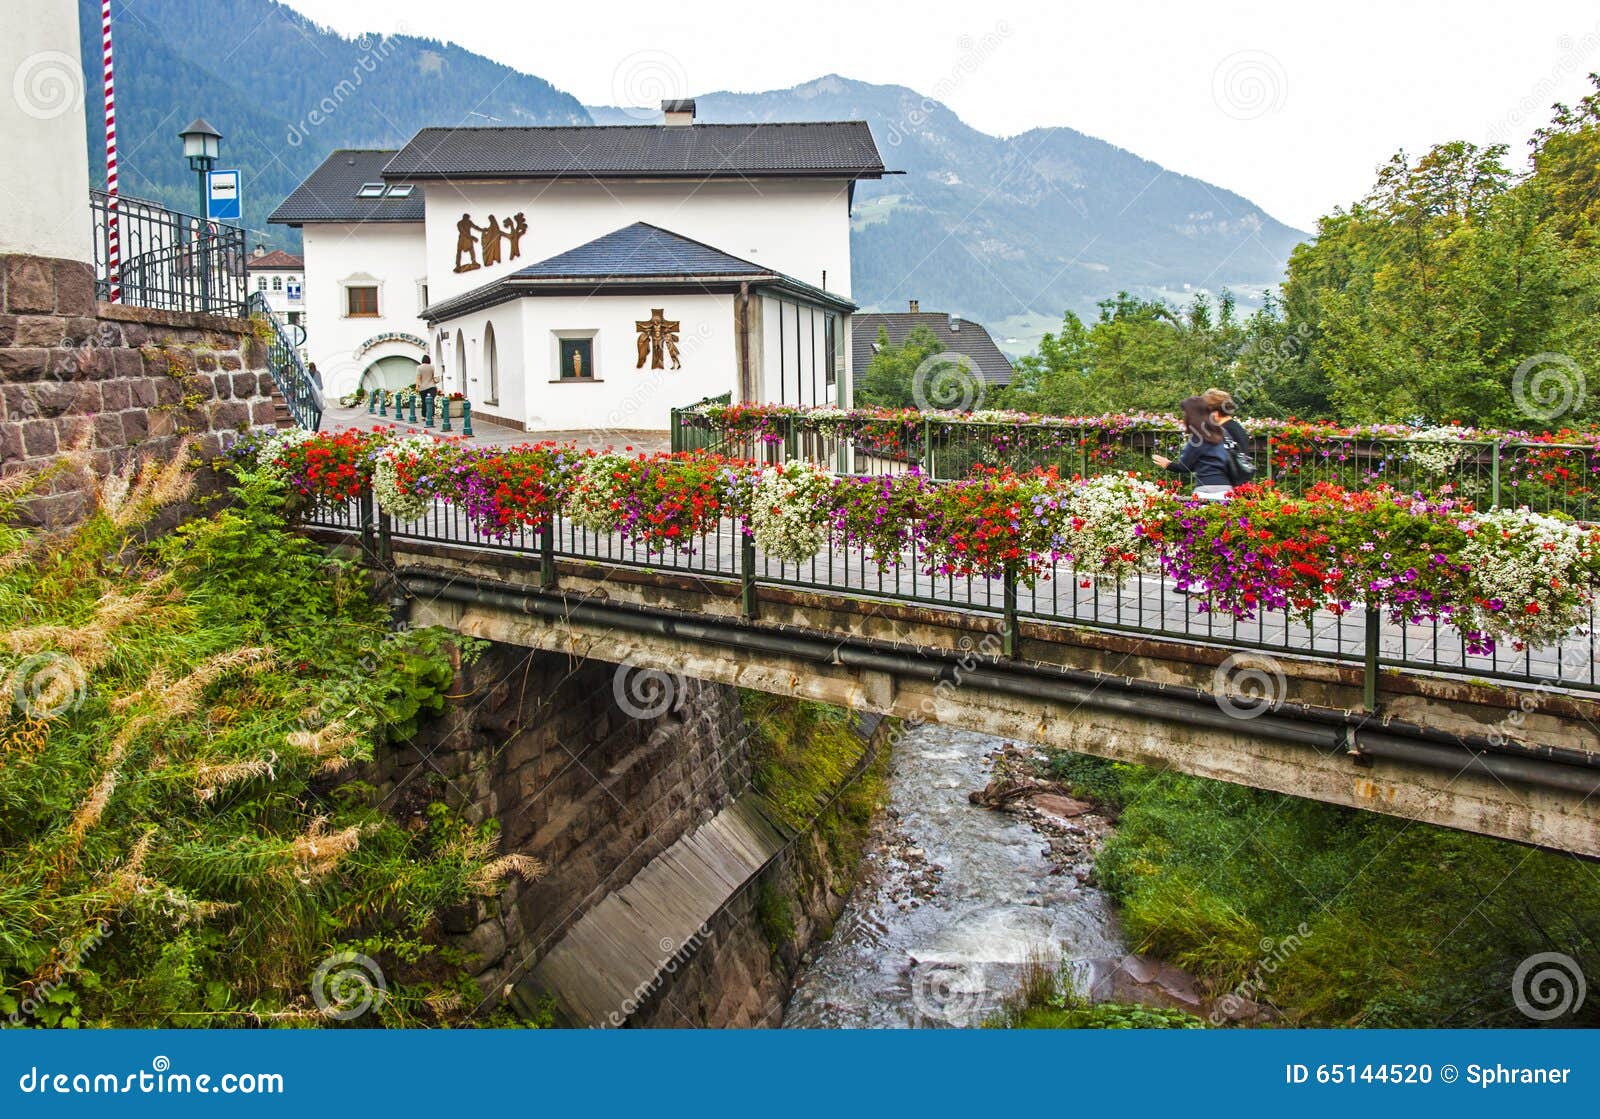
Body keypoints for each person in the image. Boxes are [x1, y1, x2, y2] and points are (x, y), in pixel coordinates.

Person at [1152, 395, 1233, 500]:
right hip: (1226, 490)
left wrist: (1168, 464)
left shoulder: (1197, 438)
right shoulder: (1222, 432)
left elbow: (1184, 466)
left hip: (1206, 491)